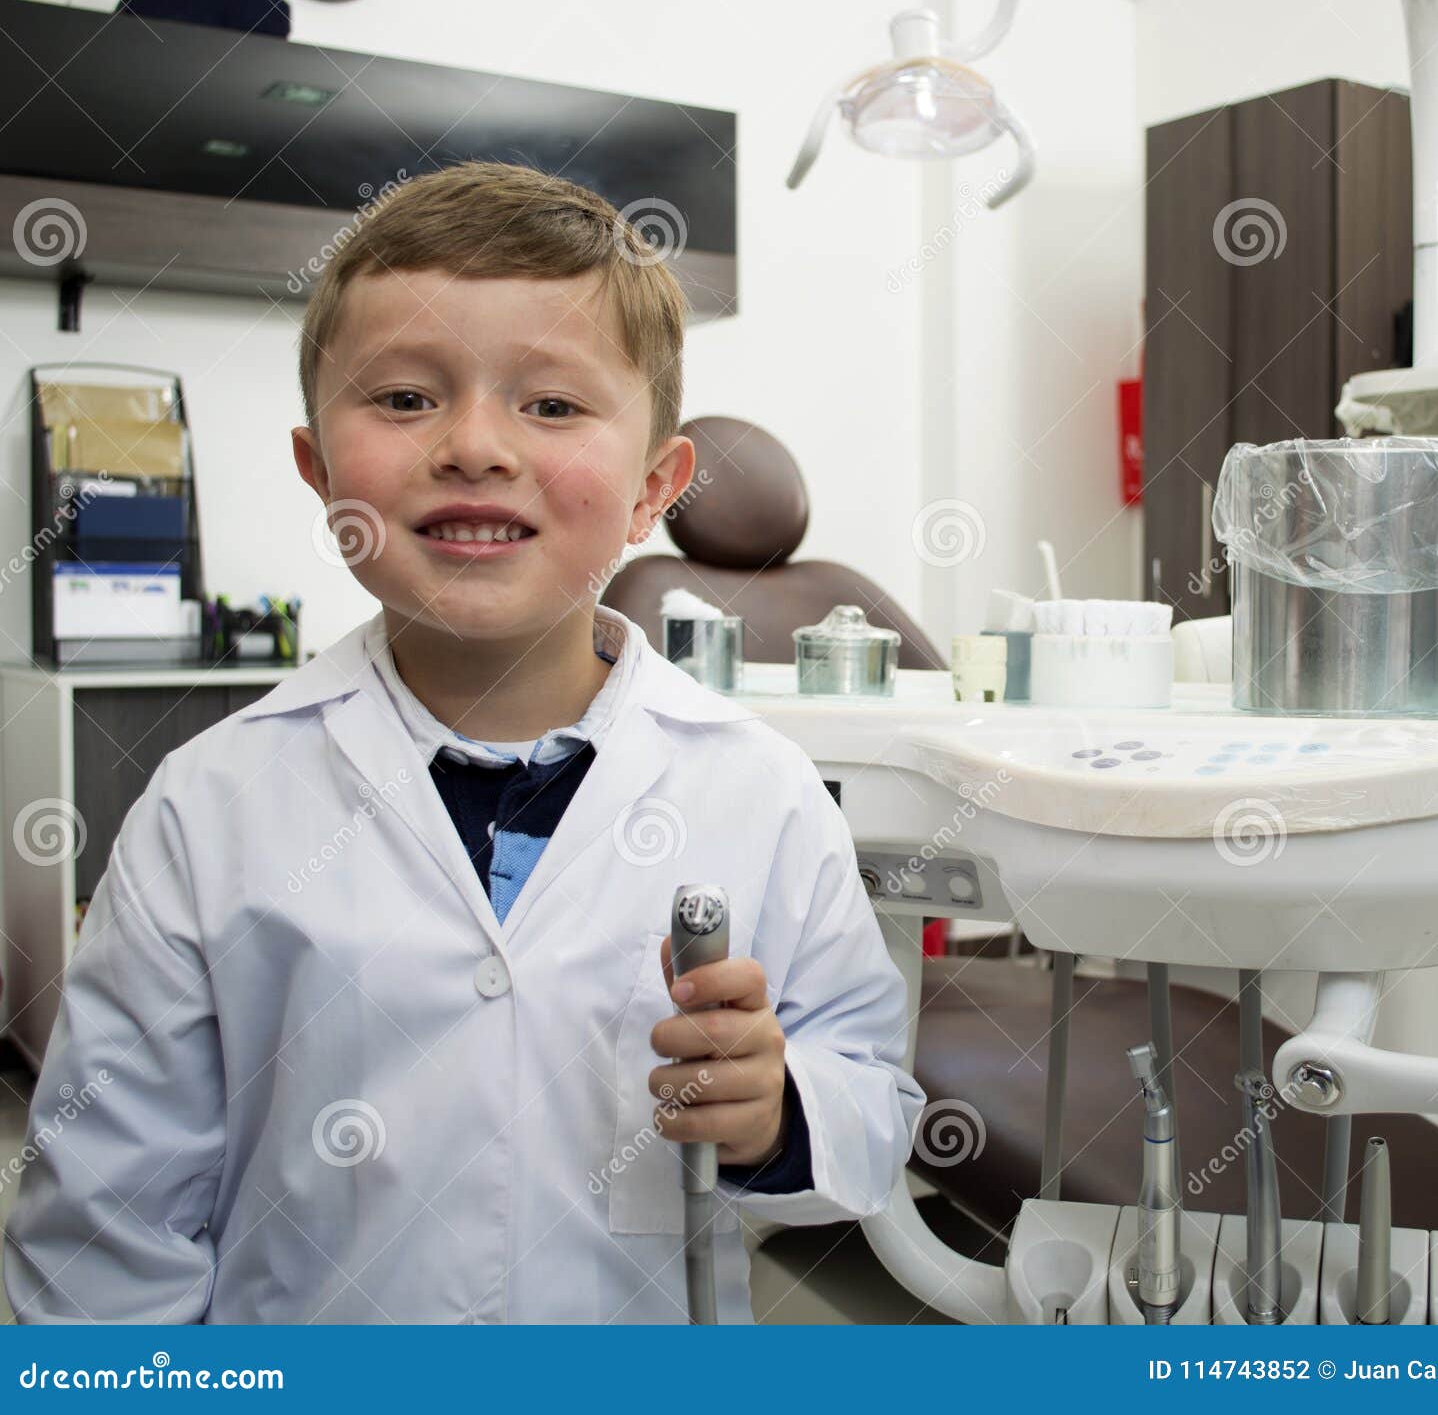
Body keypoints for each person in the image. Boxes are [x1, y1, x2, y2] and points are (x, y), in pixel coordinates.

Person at [4, 160, 924, 1323]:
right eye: (403, 399)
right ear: (318, 470)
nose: (476, 446)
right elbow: (105, 1234)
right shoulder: (208, 809)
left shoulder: (761, 791)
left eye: (553, 406)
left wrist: (777, 1111)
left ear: (653, 489)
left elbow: (873, 1104)